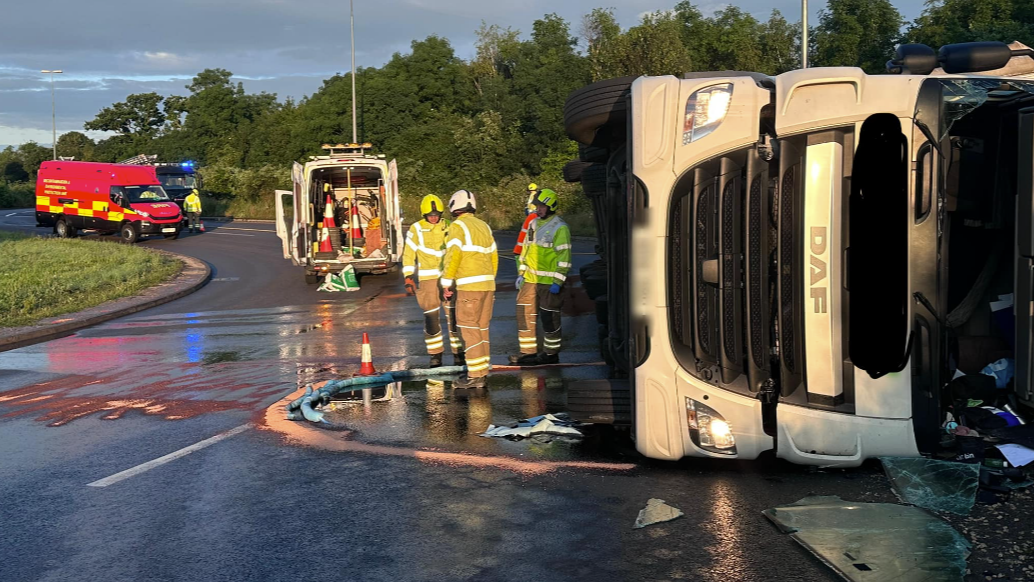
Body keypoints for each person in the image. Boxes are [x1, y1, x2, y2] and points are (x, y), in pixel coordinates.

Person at [440, 189, 498, 388]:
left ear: (454, 206)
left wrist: (447, 282)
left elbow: (453, 255)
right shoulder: (484, 226)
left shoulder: (458, 226)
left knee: (468, 329)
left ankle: (475, 375)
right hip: (488, 286)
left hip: (469, 286)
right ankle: (482, 371)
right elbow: (494, 257)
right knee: (482, 329)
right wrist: (490, 279)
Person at [510, 189, 571, 366]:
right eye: (537, 206)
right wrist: (521, 273)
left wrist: (558, 282)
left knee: (549, 318)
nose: (539, 209)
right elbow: (525, 251)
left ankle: (551, 353)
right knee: (524, 314)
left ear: (551, 206)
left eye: (542, 206)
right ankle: (527, 353)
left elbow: (564, 258)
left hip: (549, 283)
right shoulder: (533, 224)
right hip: (530, 280)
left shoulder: (560, 227)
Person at [401, 194, 461, 368]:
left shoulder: (450, 226)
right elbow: (409, 254)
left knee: (454, 317)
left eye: (437, 214)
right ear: (424, 214)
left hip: (449, 278)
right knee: (431, 318)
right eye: (430, 215)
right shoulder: (416, 229)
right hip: (428, 280)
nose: (434, 218)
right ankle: (436, 355)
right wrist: (408, 276)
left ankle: (459, 353)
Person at [512, 183, 539, 266]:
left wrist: (528, 210)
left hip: (532, 214)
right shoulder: (536, 194)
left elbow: (530, 205)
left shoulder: (533, 195)